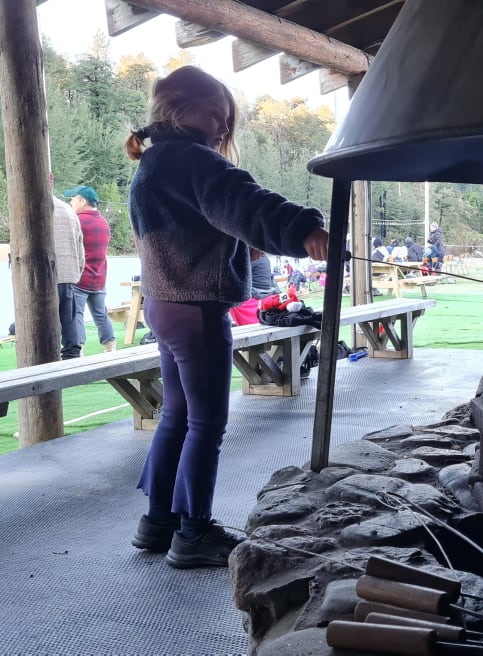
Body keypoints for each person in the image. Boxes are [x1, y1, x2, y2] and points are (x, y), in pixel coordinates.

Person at [124, 65, 329, 569]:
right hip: (195, 308)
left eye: (226, 119)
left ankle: (158, 521)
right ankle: (193, 533)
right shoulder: (193, 159)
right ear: (180, 109)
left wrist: (241, 246)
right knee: (207, 423)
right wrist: (305, 230)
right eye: (215, 115)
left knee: (177, 416)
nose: (222, 127)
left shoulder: (154, 162)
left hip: (164, 305)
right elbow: (245, 202)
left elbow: (205, 223)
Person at [63, 185, 117, 353]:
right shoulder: (104, 222)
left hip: (80, 278)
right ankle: (110, 349)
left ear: (83, 201)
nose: (71, 202)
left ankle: (78, 351)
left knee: (76, 315)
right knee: (100, 314)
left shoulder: (76, 221)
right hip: (99, 278)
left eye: (73, 199)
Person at [53, 194, 86, 360]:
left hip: (40, 276)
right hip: (67, 272)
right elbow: (80, 246)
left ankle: (45, 358)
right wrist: (77, 271)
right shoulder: (68, 210)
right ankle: (72, 354)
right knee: (68, 318)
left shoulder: (31, 205)